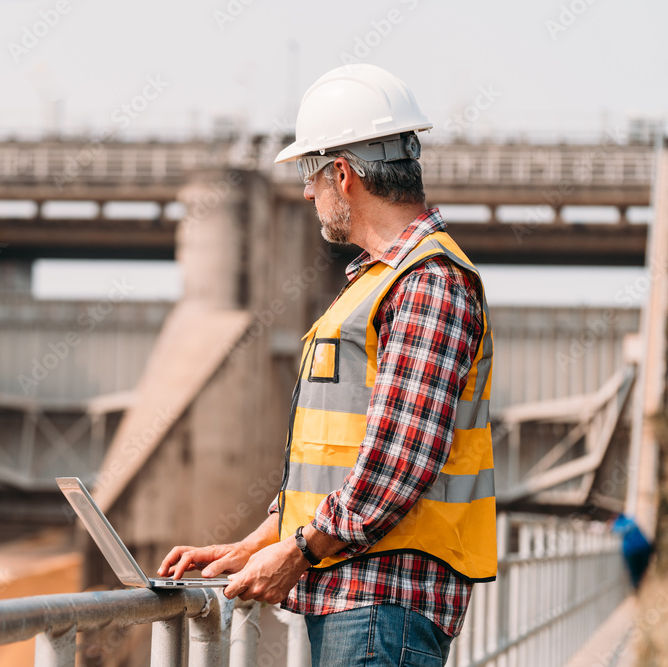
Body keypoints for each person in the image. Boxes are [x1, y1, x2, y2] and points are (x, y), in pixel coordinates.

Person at [159, 64, 497, 667]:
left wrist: (297, 553)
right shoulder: (382, 281)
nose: (307, 194)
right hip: (358, 603)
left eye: (310, 178)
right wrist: (256, 543)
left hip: (381, 608)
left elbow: (399, 460)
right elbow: (341, 453)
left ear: (343, 175)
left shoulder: (426, 283)